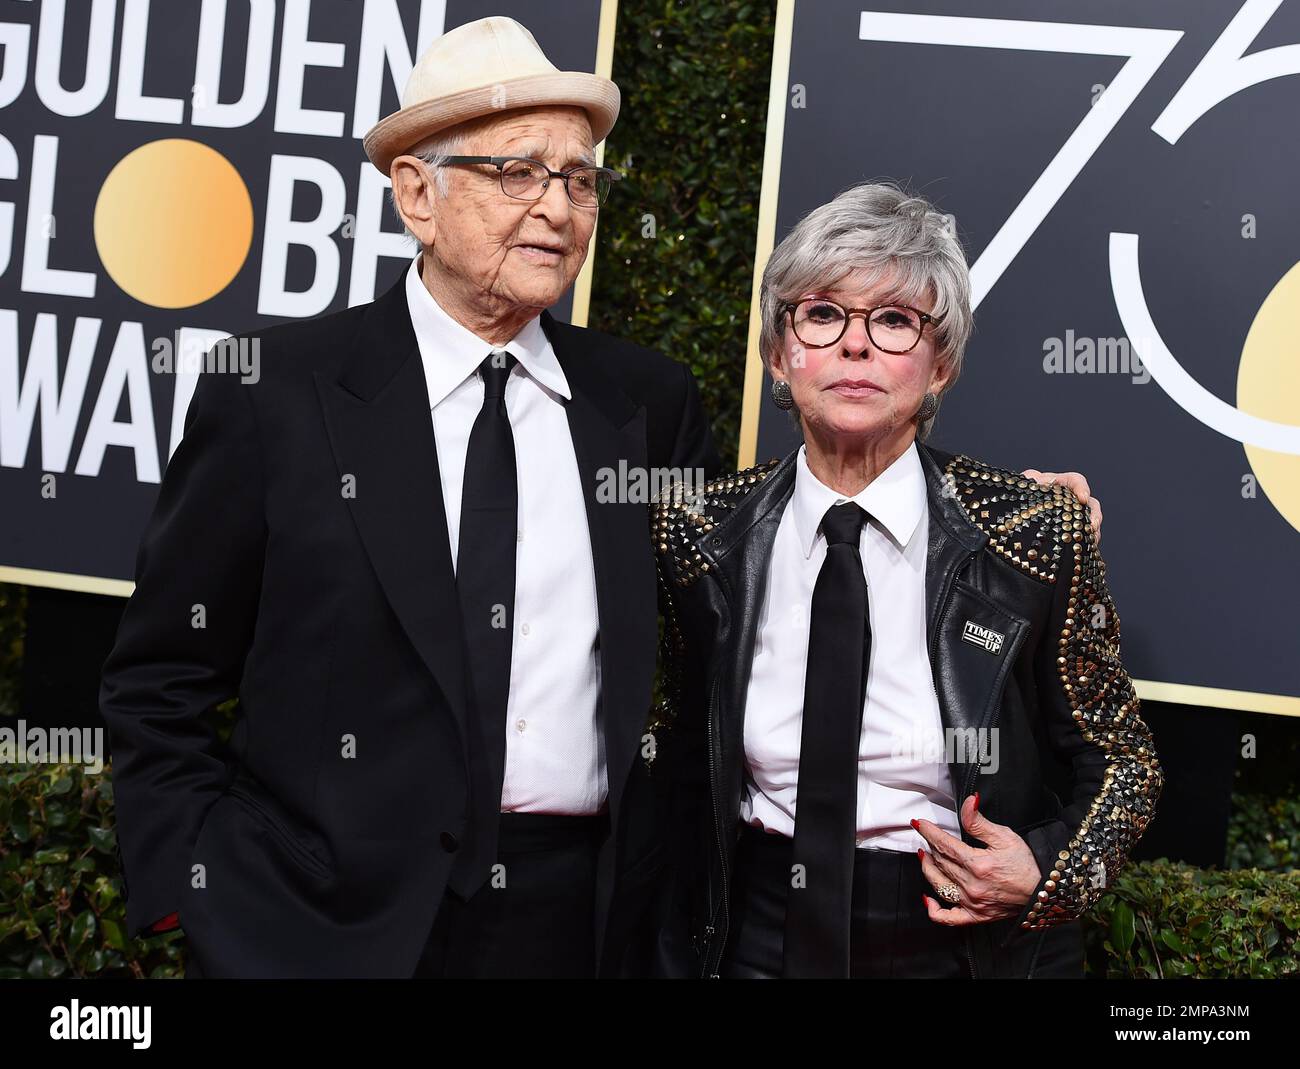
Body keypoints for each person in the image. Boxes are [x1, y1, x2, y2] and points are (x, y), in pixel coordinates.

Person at [99, 16, 719, 978]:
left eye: (581, 178)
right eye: (518, 172)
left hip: (576, 931)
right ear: (418, 195)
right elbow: (160, 676)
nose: (558, 208)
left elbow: (713, 638)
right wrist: (197, 897)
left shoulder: (647, 404)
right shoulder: (275, 393)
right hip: (313, 928)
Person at [649, 181, 1161, 979]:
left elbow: (1125, 762)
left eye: (894, 320)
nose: (856, 346)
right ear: (780, 353)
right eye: (822, 314)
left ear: (941, 365)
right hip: (755, 933)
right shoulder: (697, 534)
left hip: (960, 943)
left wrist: (1044, 870)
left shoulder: (1033, 532)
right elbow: (669, 758)